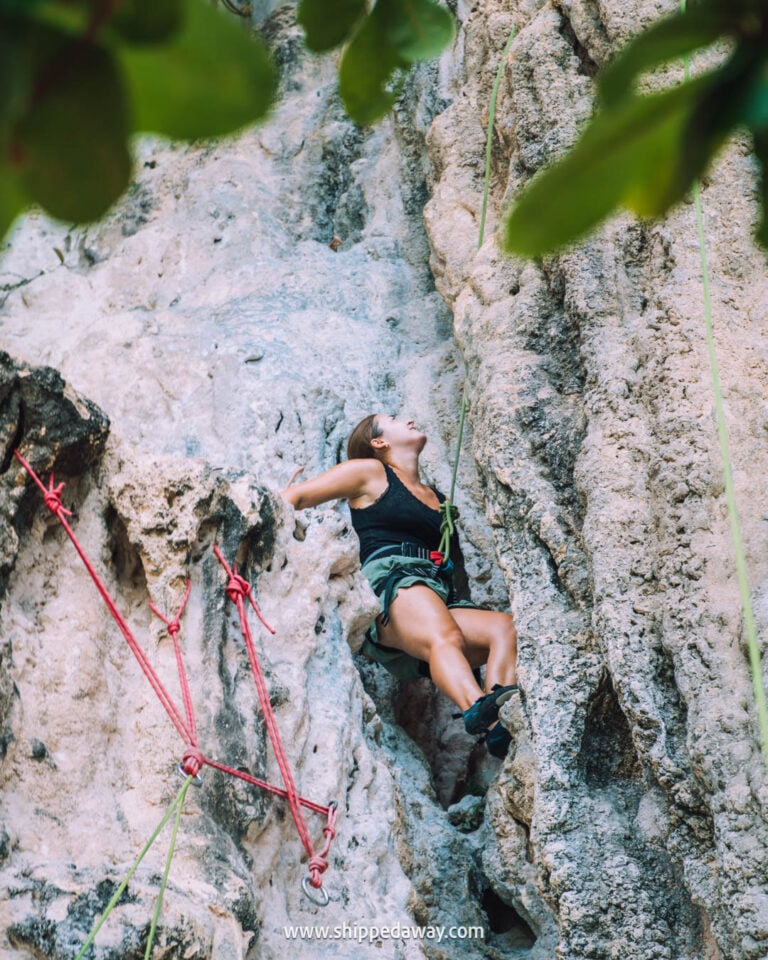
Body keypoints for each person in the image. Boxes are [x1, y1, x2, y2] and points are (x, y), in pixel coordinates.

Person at [280, 413, 519, 757]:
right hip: (393, 581)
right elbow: (299, 497)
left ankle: (502, 726)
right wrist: (273, 511)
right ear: (378, 442)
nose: (407, 420)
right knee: (445, 634)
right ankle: (478, 708)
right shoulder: (370, 472)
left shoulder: (439, 500)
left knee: (505, 629)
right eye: (393, 420)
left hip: (434, 591)